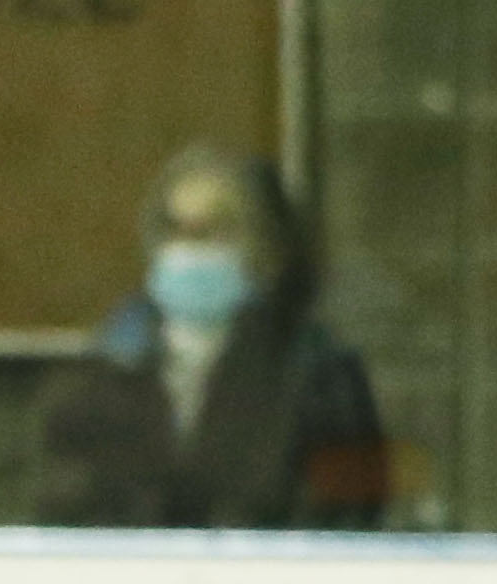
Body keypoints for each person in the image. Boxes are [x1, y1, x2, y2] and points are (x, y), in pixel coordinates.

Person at [36, 145, 390, 530]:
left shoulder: (323, 373)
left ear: (263, 243)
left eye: (215, 229)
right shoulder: (108, 368)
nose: (190, 248)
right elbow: (62, 507)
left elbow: (354, 516)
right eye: (176, 229)